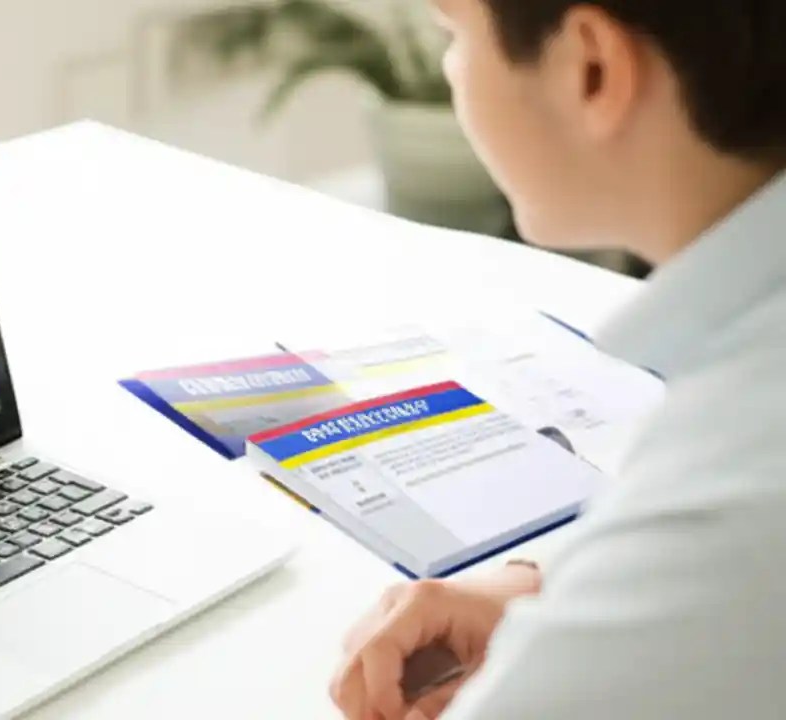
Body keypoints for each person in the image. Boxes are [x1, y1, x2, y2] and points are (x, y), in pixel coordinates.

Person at [329, 0, 786, 718]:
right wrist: (557, 586)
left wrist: (612, 617)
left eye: (457, 36)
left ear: (592, 69)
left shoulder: (724, 509)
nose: (452, 72)